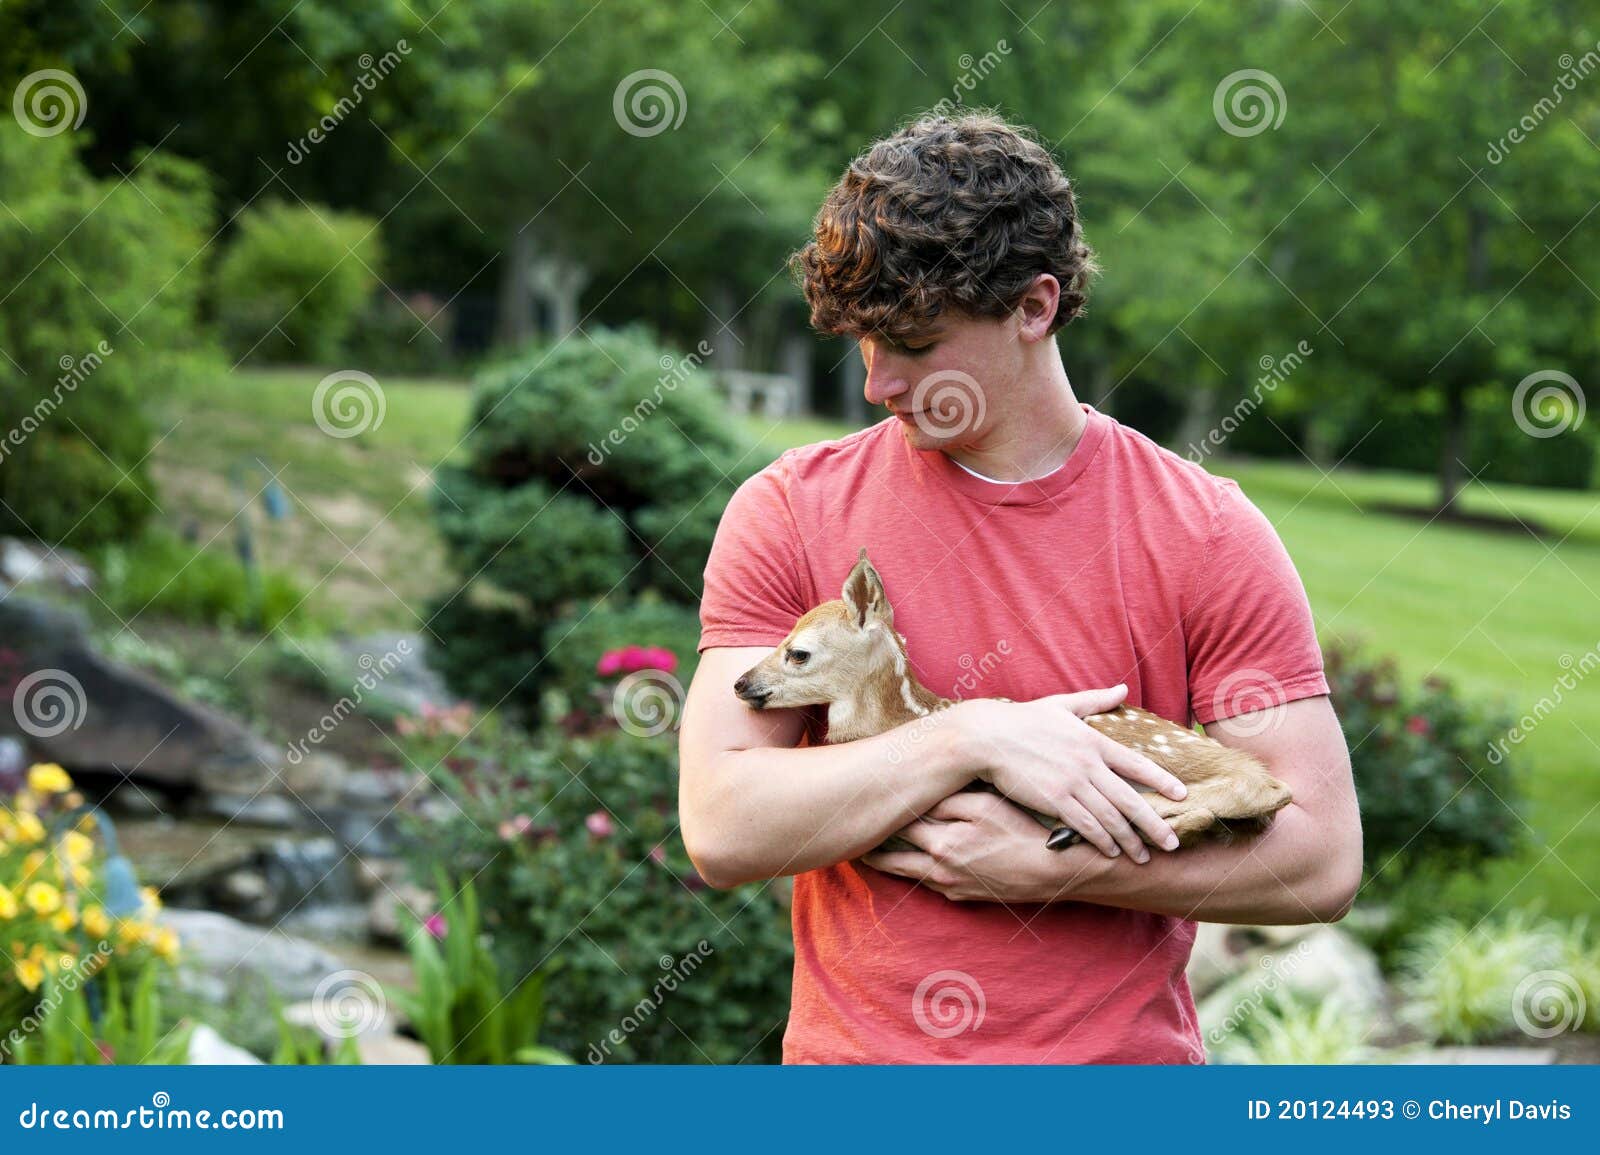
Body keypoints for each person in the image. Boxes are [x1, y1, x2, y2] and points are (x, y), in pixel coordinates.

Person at [677, 112, 1362, 1064]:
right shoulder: (792, 509)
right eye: (862, 342)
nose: (877, 383)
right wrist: (970, 734)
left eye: (912, 342)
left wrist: (1057, 868)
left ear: (1034, 306)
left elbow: (1321, 855)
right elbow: (722, 821)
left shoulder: (1203, 532)